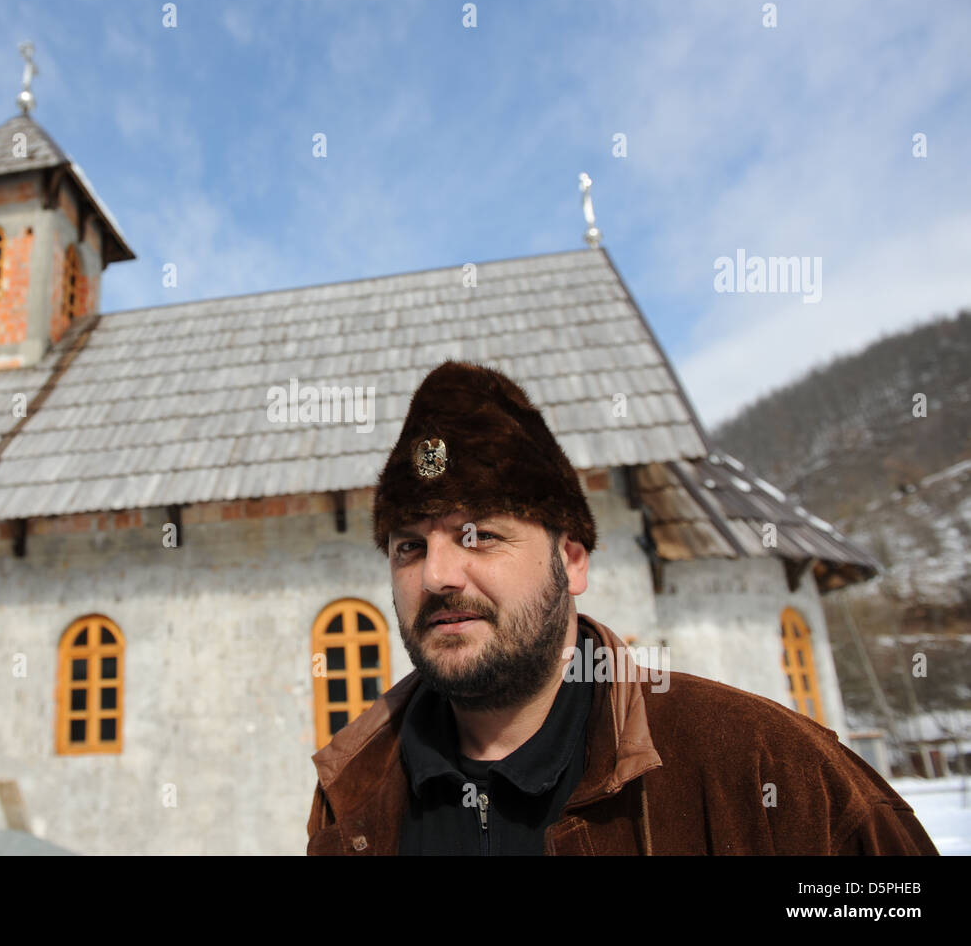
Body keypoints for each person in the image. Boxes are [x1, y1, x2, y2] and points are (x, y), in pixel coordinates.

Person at [306, 360, 937, 855]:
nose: (437, 575)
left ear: (573, 560)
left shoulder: (767, 770)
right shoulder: (353, 794)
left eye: (480, 535)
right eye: (409, 547)